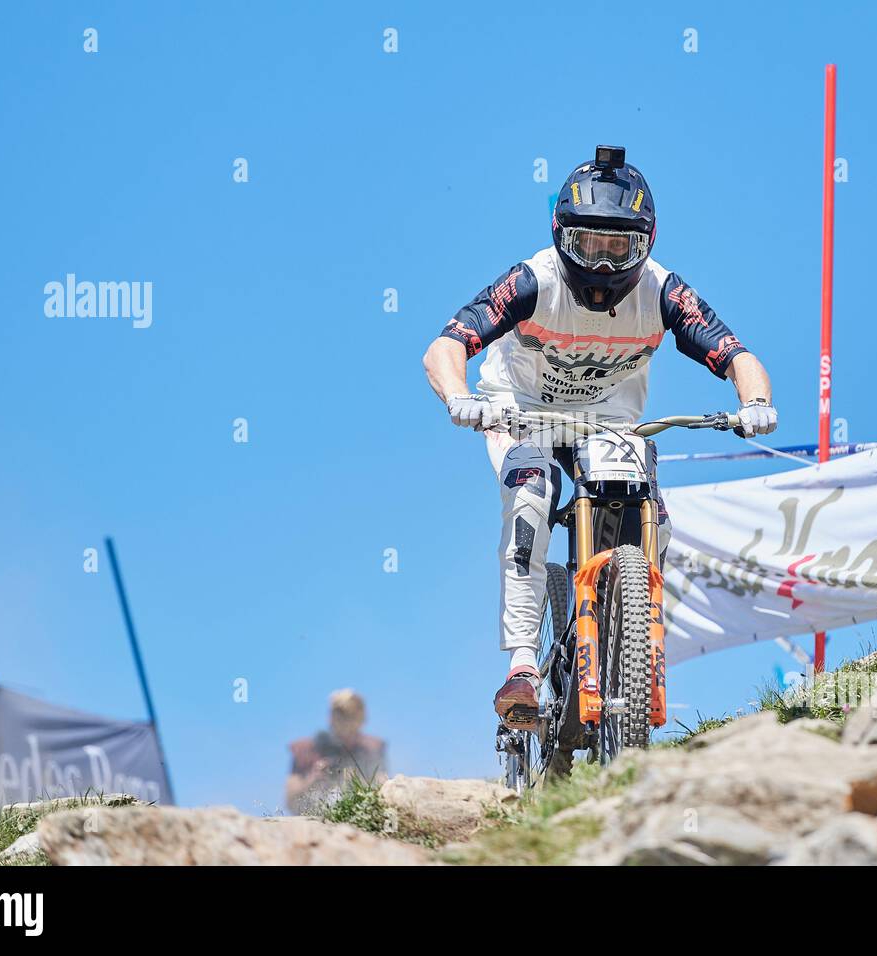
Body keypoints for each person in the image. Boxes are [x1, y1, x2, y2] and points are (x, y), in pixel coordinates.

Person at [422, 146, 778, 728]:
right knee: (531, 498)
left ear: (646, 244)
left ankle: (622, 629)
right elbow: (446, 346)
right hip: (521, 408)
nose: (606, 266)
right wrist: (458, 396)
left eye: (621, 249)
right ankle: (523, 668)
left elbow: (738, 356)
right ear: (564, 237)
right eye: (592, 245)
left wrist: (755, 402)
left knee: (653, 521)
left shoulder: (663, 292)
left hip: (608, 418)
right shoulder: (532, 281)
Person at [285, 689, 387, 814]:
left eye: (351, 716)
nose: (346, 722)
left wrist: (358, 784)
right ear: (331, 717)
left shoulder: (372, 749)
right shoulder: (306, 750)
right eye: (341, 715)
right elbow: (290, 801)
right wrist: (313, 779)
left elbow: (384, 791)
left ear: (361, 719)